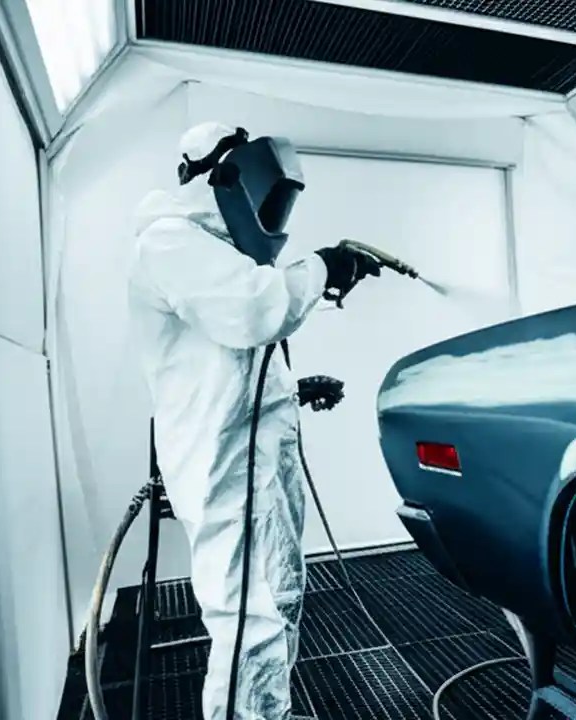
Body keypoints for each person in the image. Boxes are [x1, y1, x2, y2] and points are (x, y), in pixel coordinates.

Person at [126, 121, 381, 720]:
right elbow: (252, 313)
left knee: (280, 596)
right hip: (223, 464)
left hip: (259, 457)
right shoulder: (169, 240)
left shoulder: (221, 254)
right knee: (250, 617)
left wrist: (294, 391)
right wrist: (322, 267)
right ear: (217, 178)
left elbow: (239, 362)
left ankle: (268, 711)